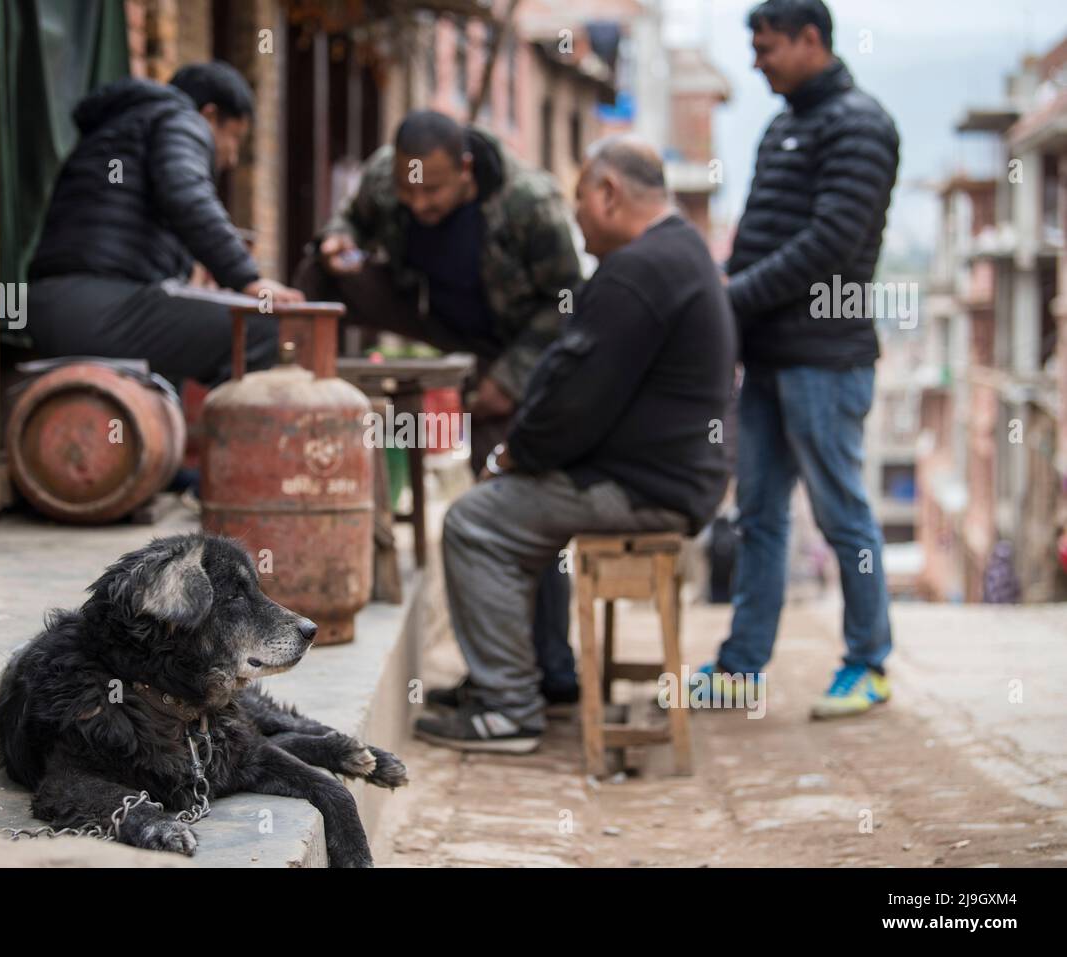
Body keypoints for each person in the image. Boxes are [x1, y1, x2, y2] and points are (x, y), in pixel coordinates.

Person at [414, 136, 736, 753]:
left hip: (646, 487)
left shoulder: (640, 269)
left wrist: (512, 457)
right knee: (513, 516)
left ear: (610, 194)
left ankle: (507, 709)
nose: (576, 217)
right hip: (670, 479)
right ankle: (527, 679)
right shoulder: (682, 253)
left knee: (475, 521)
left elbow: (573, 401)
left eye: (581, 198)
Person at [296, 110, 582, 705]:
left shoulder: (531, 203)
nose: (418, 202)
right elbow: (349, 219)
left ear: (468, 172)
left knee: (513, 497)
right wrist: (341, 239)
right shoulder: (386, 178)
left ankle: (551, 668)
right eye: (408, 189)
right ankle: (297, 376)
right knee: (319, 262)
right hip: (423, 312)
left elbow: (568, 307)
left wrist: (510, 378)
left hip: (507, 345)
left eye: (433, 190)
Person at [696, 0, 900, 719]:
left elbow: (829, 245)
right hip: (769, 357)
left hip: (826, 358)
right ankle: (741, 667)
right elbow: (759, 235)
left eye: (768, 46)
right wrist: (729, 296)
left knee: (842, 510)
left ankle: (869, 662)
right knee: (757, 517)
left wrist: (730, 295)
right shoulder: (784, 125)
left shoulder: (862, 125)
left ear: (812, 39)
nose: (756, 60)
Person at [25, 61, 303, 387]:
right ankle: (232, 437)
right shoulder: (182, 120)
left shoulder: (129, 126)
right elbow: (186, 194)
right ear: (210, 115)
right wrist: (248, 279)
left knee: (187, 327)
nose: (231, 157)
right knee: (266, 328)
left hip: (60, 306)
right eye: (234, 138)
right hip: (95, 308)